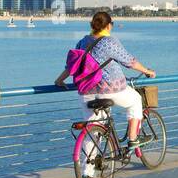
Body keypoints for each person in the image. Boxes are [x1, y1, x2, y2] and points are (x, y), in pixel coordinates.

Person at [55, 11, 156, 149]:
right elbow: (129, 62)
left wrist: (59, 80)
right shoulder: (109, 42)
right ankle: (133, 139)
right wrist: (147, 71)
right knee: (136, 100)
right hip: (110, 89)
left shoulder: (82, 42)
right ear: (108, 26)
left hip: (86, 91)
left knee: (92, 130)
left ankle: (87, 170)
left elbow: (72, 66)